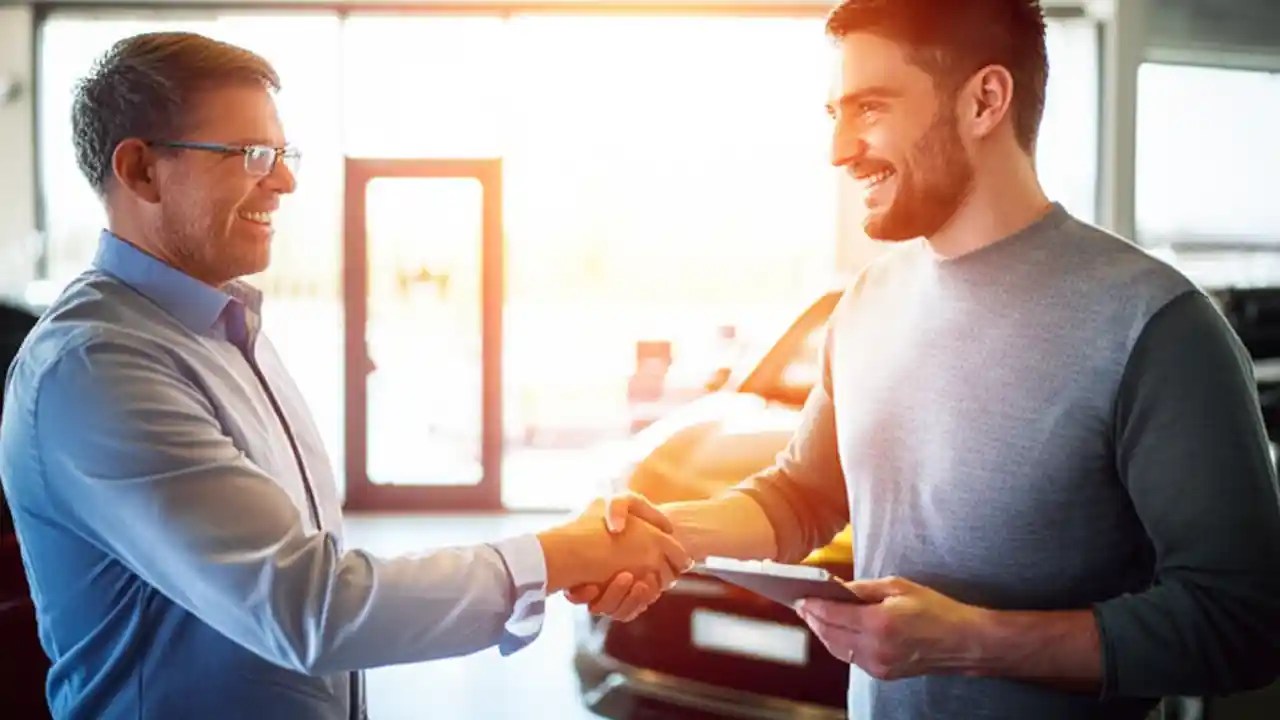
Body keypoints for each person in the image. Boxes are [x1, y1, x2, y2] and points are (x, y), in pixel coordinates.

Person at [571, 0, 1280, 717]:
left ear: (985, 101)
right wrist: (665, 535)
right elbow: (801, 498)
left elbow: (1245, 621)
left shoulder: (1158, 328)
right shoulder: (868, 302)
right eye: (835, 115)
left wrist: (972, 640)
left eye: (870, 108)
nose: (840, 149)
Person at [0, 32, 687, 720]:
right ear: (142, 171)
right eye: (251, 155)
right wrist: (558, 556)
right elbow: (308, 607)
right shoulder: (96, 368)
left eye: (283, 154)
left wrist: (578, 557)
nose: (285, 180)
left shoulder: (228, 328)